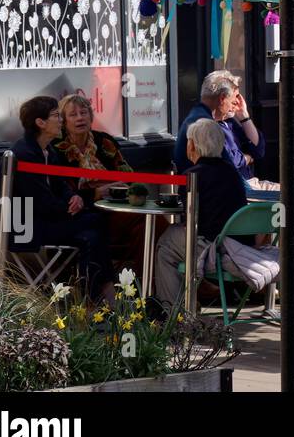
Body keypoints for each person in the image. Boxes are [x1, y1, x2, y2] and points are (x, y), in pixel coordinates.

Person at [8, 95, 113, 302]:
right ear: (40, 122)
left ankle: (91, 300)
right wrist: (75, 206)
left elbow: (60, 184)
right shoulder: (24, 154)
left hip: (49, 220)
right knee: (96, 220)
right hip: (29, 228)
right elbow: (42, 203)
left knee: (92, 236)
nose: (61, 120)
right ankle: (103, 296)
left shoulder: (47, 149)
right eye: (56, 115)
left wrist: (74, 197)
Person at [154, 118, 253, 310]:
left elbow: (190, 219)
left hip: (215, 249)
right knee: (177, 239)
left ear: (192, 145)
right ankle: (189, 301)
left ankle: (173, 312)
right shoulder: (232, 173)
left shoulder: (193, 175)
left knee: (166, 244)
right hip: (239, 247)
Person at [49, 94, 148, 278]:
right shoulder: (55, 149)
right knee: (144, 224)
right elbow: (60, 192)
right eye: (73, 114)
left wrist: (126, 188)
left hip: (115, 208)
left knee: (148, 224)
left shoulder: (104, 141)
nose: (80, 118)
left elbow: (128, 176)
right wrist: (96, 192)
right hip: (83, 215)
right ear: (63, 121)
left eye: (84, 112)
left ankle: (147, 281)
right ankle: (143, 283)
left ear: (91, 116)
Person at [173, 70, 265, 180]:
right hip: (224, 187)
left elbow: (258, 150)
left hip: (241, 182)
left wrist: (244, 116)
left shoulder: (226, 121)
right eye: (235, 98)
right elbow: (228, 161)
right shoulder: (201, 123)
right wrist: (247, 158)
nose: (237, 102)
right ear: (222, 99)